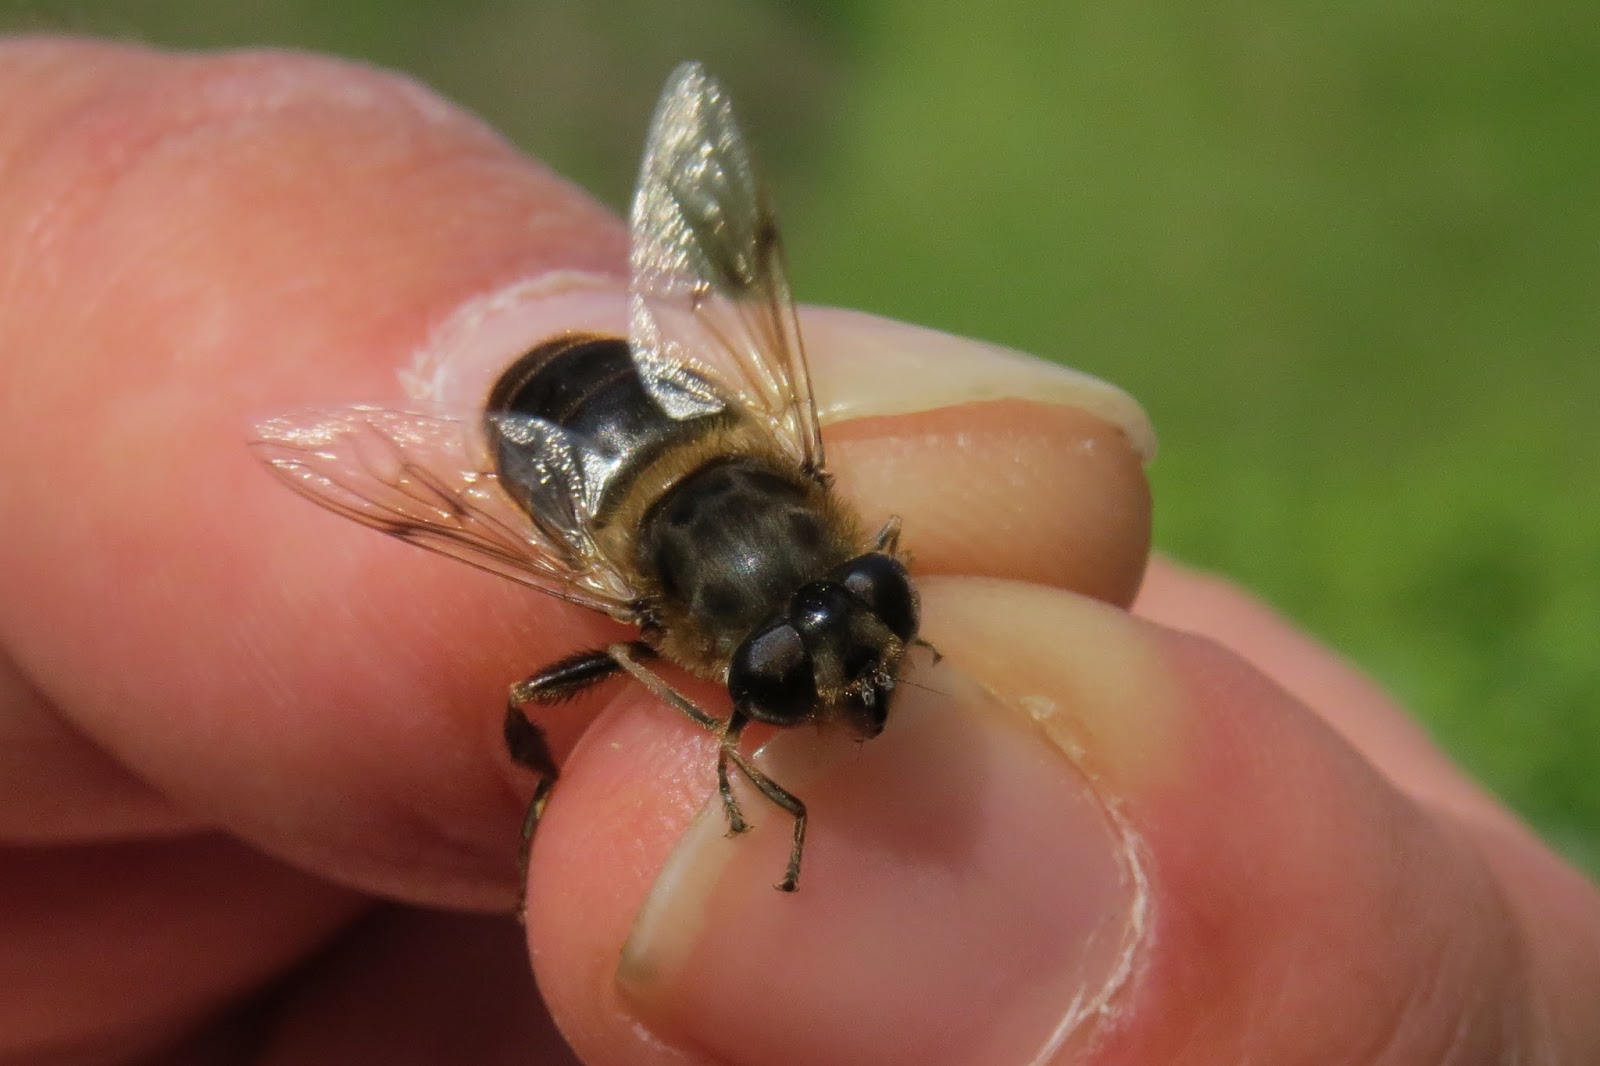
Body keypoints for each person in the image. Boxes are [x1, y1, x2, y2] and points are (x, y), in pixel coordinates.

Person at [2, 38, 1594, 1065]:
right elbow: (481, 527)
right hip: (569, 448)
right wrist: (689, 764)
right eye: (810, 659)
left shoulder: (815, 546)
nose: (843, 668)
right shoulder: (636, 603)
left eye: (859, 619)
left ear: (851, 545)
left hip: (676, 429)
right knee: (537, 702)